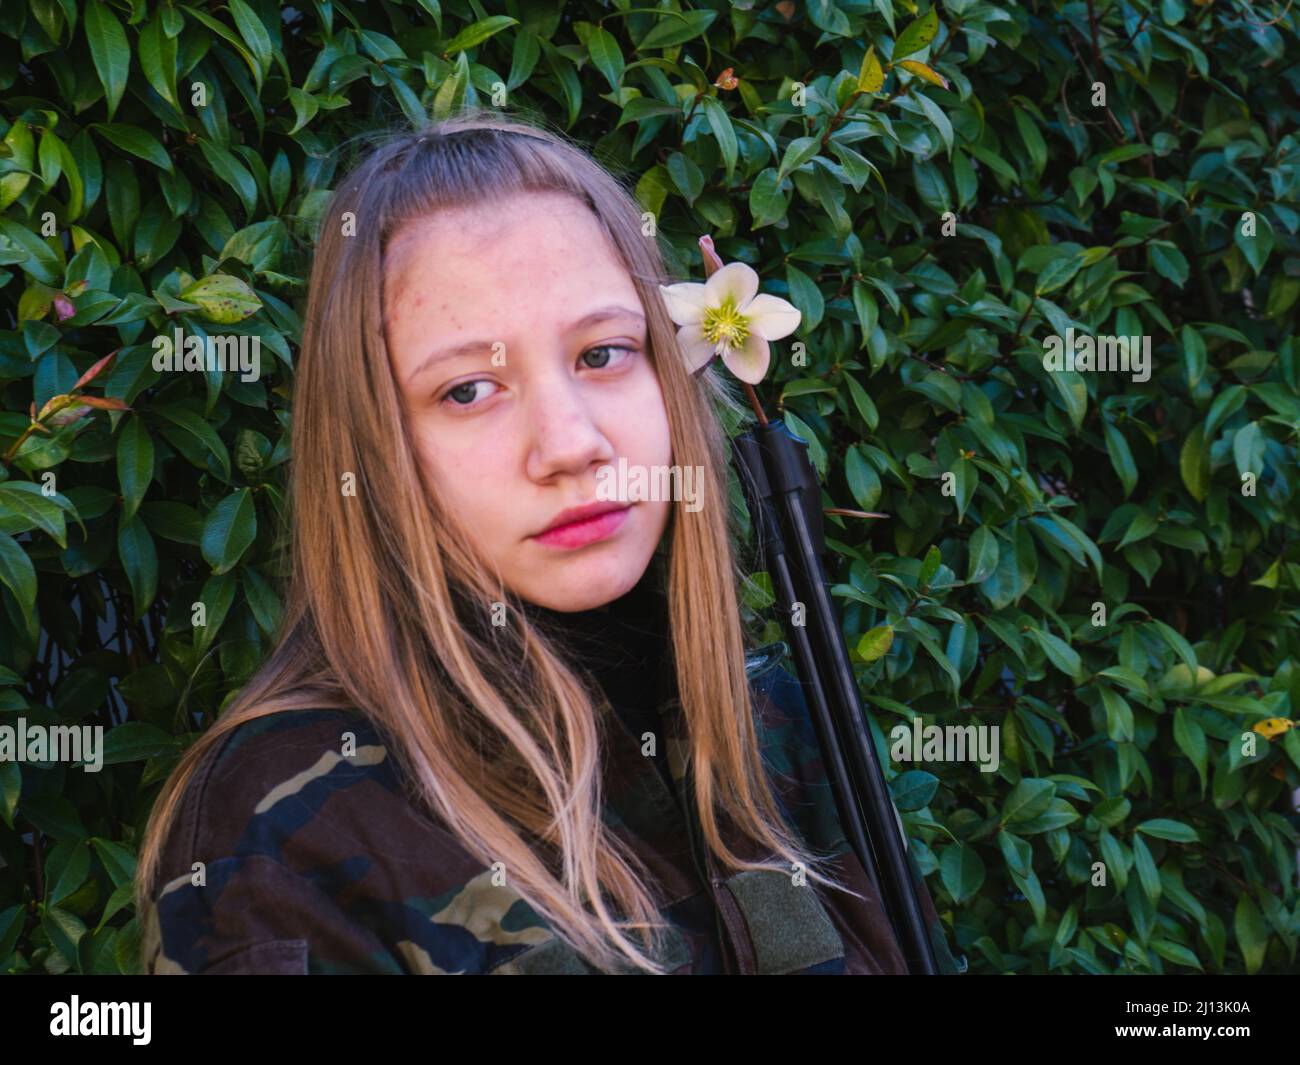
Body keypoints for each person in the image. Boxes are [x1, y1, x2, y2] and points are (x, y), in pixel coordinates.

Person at [134, 112, 939, 974]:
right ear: (371, 447)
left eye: (603, 353)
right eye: (470, 388)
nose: (568, 443)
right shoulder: (282, 837)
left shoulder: (774, 722)